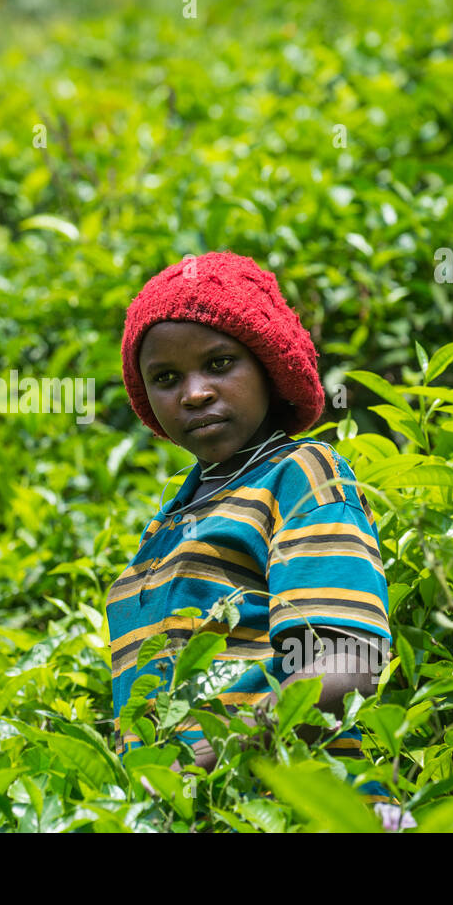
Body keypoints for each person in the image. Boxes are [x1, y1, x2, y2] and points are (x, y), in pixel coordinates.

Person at [109, 250, 398, 806]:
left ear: (269, 367)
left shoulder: (298, 476)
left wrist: (219, 754)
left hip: (305, 803)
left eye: (219, 364)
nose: (194, 392)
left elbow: (350, 662)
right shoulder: (166, 523)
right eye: (166, 377)